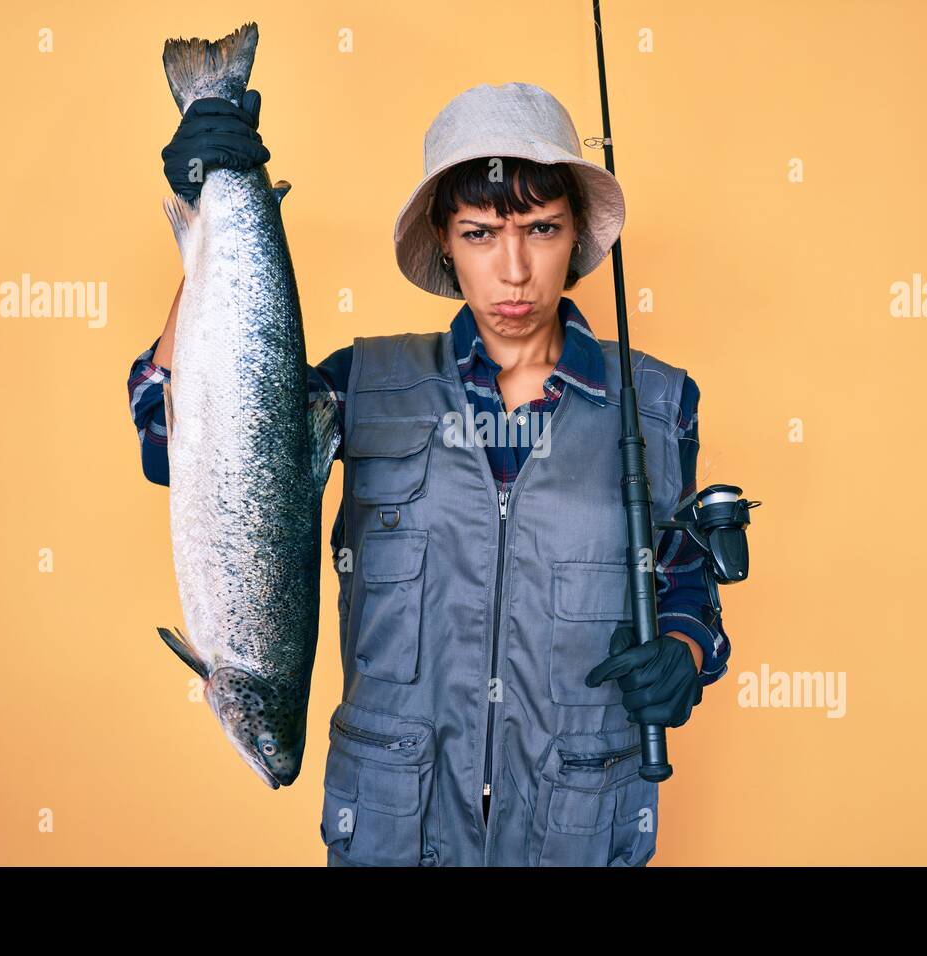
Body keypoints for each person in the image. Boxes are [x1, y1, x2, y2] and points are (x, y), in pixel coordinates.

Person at [128, 81, 731, 866]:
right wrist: (214, 208)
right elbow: (165, 439)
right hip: (392, 830)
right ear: (445, 241)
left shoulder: (657, 403)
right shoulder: (362, 386)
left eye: (541, 229)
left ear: (576, 234)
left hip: (580, 831)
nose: (514, 270)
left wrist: (684, 653)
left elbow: (687, 584)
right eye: (481, 233)